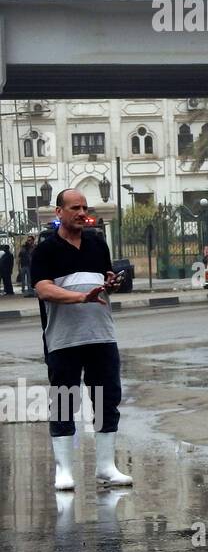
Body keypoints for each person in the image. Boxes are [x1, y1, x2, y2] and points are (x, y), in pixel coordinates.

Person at [29, 189, 132, 491]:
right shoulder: (46, 250)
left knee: (107, 399)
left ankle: (106, 467)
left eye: (85, 207)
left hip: (101, 335)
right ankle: (64, 471)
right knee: (63, 402)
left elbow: (102, 284)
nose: (81, 212)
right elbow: (43, 290)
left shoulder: (97, 244)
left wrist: (109, 284)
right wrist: (79, 297)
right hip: (63, 340)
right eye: (74, 207)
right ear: (58, 212)